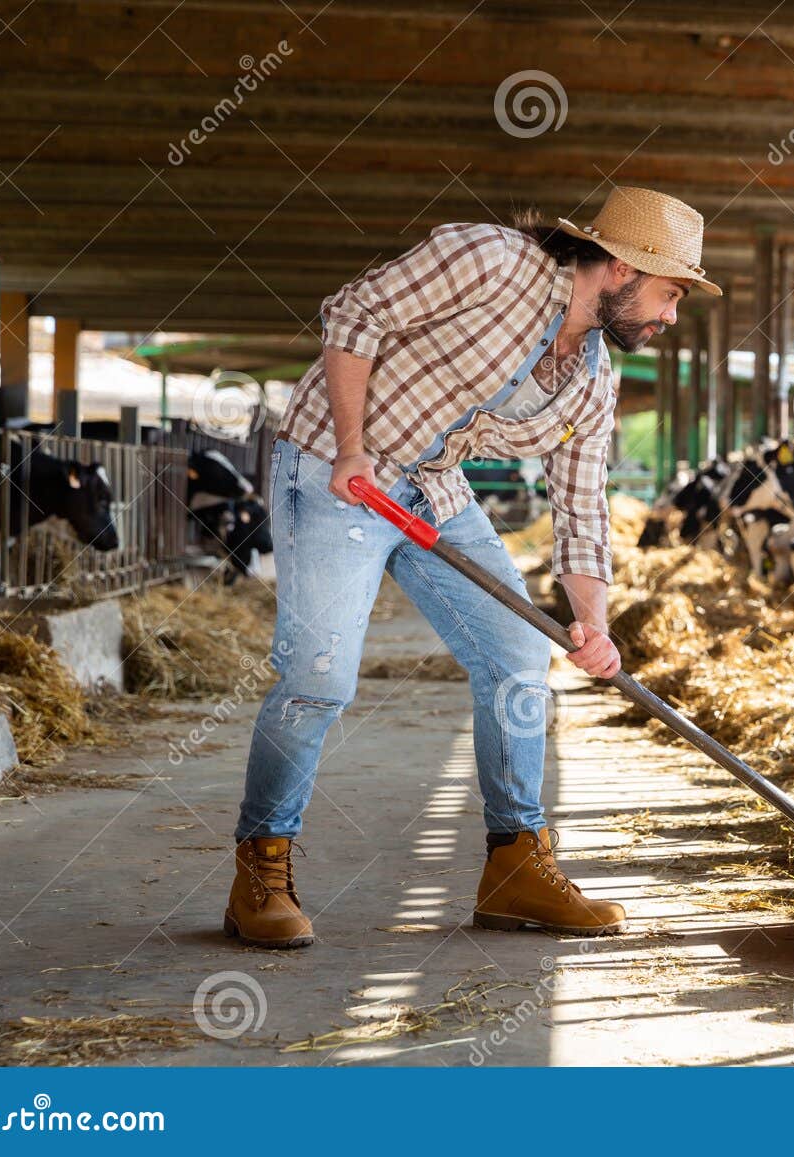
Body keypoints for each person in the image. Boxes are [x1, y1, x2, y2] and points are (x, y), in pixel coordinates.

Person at [225, 187, 721, 948]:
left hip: (431, 485)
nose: (670, 316)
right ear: (620, 268)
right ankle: (262, 866)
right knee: (320, 674)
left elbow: (583, 508)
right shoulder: (491, 263)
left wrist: (593, 624)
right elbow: (353, 313)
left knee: (521, 653)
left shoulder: (592, 379)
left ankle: (517, 862)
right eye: (669, 294)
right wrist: (354, 446)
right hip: (336, 462)